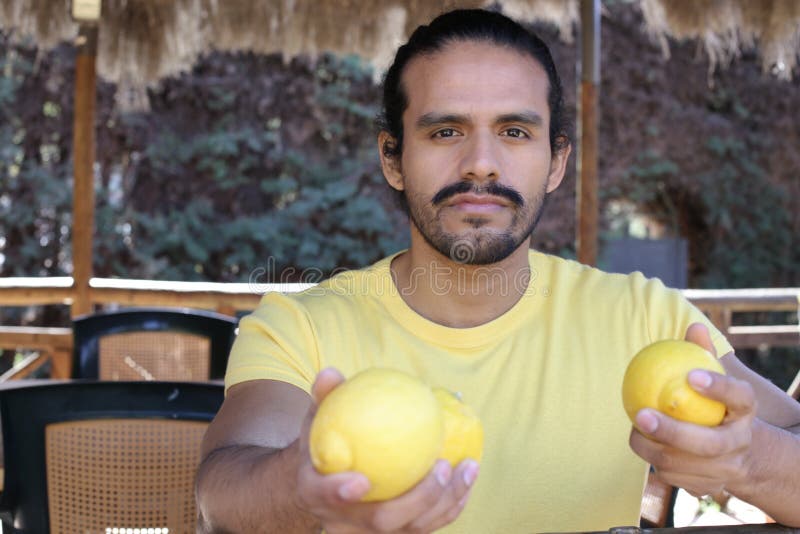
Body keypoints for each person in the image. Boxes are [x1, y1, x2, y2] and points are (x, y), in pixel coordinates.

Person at [196, 9, 800, 533]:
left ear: (556, 161)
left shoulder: (647, 318)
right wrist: (302, 487)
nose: (481, 164)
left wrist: (751, 459)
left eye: (514, 131)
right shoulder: (298, 327)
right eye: (445, 130)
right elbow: (220, 501)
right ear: (393, 158)